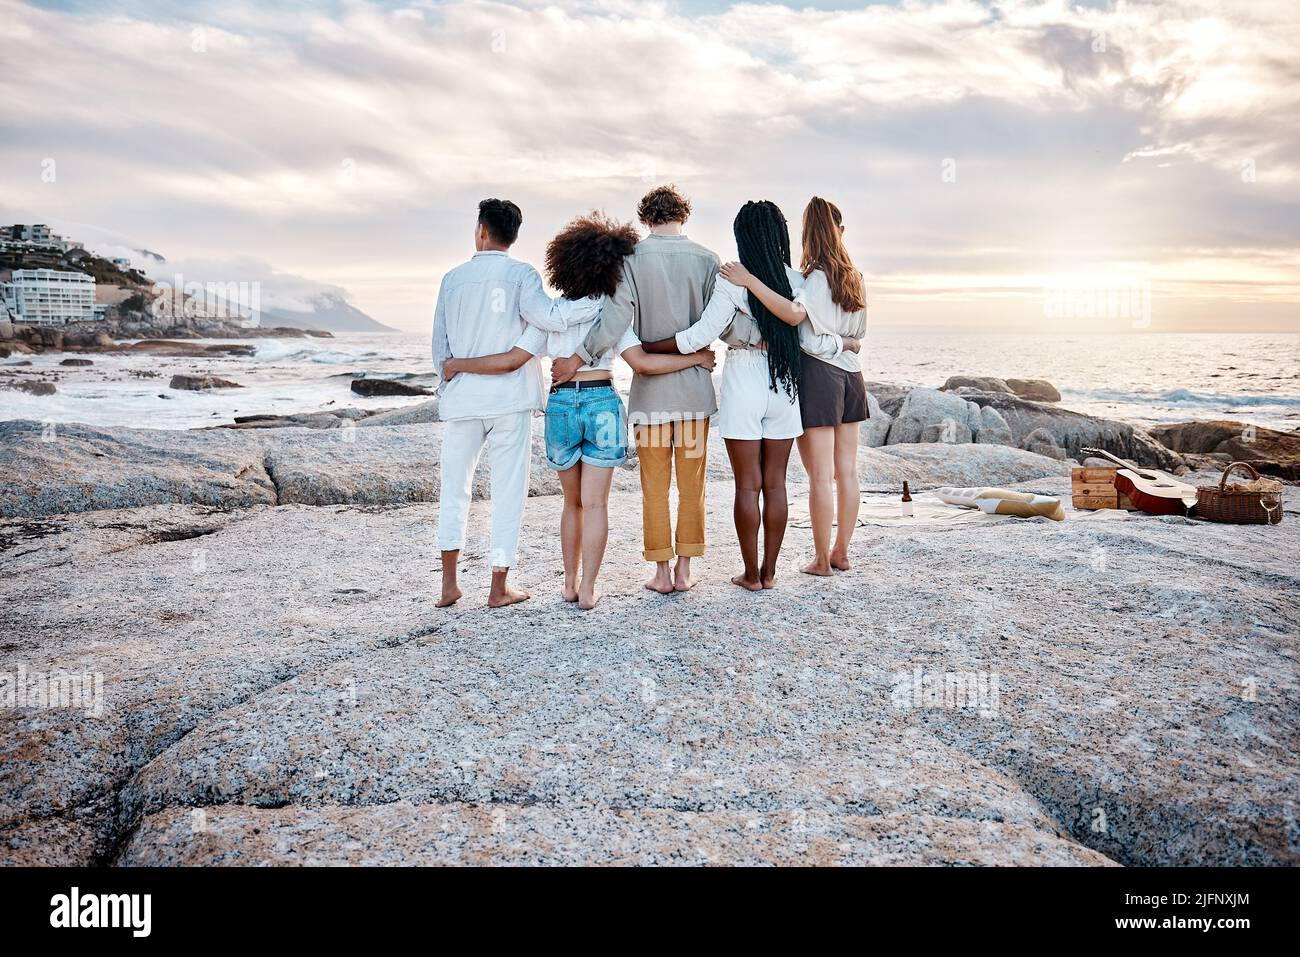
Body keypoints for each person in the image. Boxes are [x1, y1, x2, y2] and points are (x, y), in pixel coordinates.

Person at [442, 213, 716, 608]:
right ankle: (589, 588)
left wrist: (458, 365)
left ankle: (569, 584)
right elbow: (641, 362)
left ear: (563, 264)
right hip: (602, 400)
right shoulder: (612, 313)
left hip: (561, 406)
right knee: (596, 505)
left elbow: (514, 358)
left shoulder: (550, 315)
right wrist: (695, 360)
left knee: (571, 504)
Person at [640, 201, 860, 590]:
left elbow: (697, 336)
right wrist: (846, 342)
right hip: (784, 381)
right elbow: (802, 326)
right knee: (775, 483)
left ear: (743, 236)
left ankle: (750, 574)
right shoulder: (797, 280)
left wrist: (649, 348)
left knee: (747, 484)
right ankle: (770, 573)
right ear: (781, 234)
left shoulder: (732, 279)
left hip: (743, 376)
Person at [551, 186, 719, 594]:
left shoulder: (631, 260)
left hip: (650, 400)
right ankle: (684, 570)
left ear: (646, 218)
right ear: (685, 214)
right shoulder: (708, 260)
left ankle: (660, 573)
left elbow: (615, 316)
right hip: (695, 397)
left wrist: (580, 356)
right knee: (692, 486)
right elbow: (723, 323)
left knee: (655, 487)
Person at [720, 196, 869, 577]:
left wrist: (750, 281)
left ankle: (822, 560)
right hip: (853, 376)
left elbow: (802, 333)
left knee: (821, 475)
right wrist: (846, 343)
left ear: (805, 235)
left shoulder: (815, 279)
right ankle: (842, 552)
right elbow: (860, 334)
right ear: (841, 231)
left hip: (821, 376)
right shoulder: (856, 278)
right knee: (847, 471)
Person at [431, 198, 555, 609]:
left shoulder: (453, 278)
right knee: (507, 490)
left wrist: (452, 374)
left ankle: (449, 584)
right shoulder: (523, 275)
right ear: (513, 236)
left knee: (454, 488)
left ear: (481, 230)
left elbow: (440, 347)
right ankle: (498, 586)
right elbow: (543, 321)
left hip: (464, 398)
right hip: (509, 400)